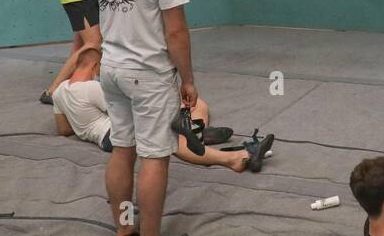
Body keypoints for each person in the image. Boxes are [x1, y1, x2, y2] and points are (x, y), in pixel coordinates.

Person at [92, 0, 245, 236]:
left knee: (123, 149)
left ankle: (125, 227)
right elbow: (175, 31)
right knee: (155, 155)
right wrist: (189, 79)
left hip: (111, 69)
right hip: (148, 74)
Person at [51, 45, 269, 172]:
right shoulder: (91, 88)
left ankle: (195, 131)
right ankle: (233, 157)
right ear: (95, 66)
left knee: (180, 125)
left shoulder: (60, 91)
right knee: (185, 128)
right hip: (119, 134)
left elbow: (64, 129)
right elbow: (123, 111)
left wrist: (85, 124)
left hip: (104, 138)